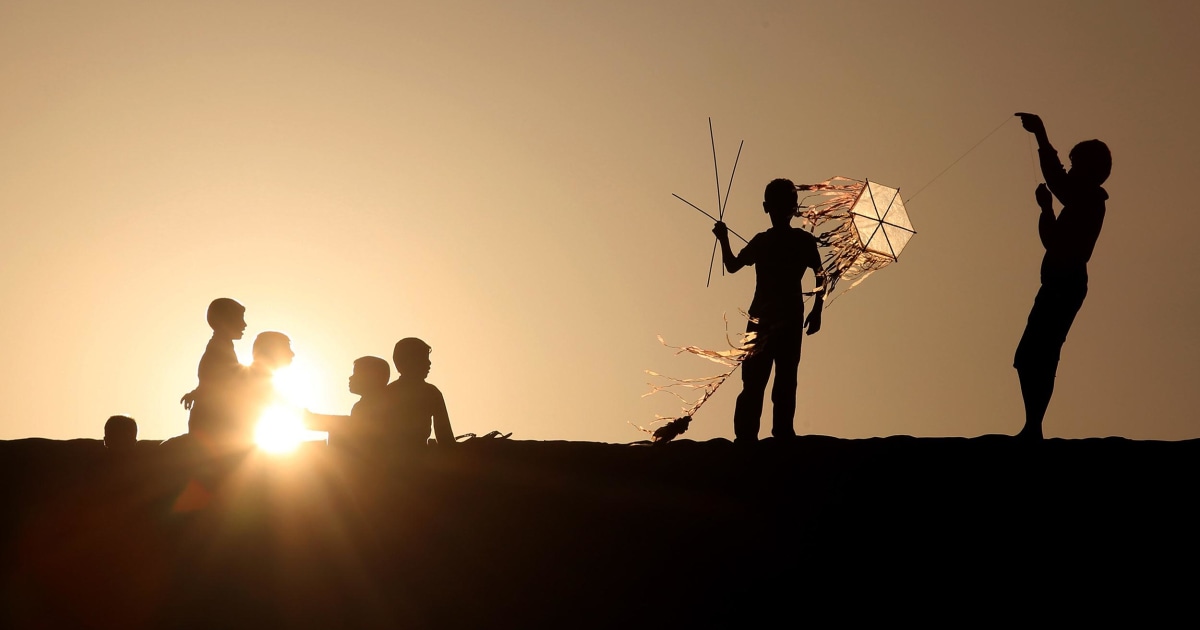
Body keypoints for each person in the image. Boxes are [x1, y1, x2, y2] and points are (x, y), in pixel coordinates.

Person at [1013, 113, 1111, 440]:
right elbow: (1054, 239)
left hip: (1064, 285)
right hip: (1059, 284)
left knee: (1038, 353)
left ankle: (1033, 427)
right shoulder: (1083, 201)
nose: (1068, 168)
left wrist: (1041, 136)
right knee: (1033, 354)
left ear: (1089, 169)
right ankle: (1033, 425)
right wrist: (1045, 210)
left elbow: (1057, 182)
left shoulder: (1089, 200)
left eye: (1074, 162)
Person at [713, 178, 825, 443]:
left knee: (769, 381)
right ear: (793, 208)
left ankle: (761, 437)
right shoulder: (797, 241)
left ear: (767, 207)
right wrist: (818, 309)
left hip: (769, 319)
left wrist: (723, 239)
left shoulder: (773, 241)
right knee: (769, 381)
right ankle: (768, 436)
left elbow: (731, 265)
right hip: (775, 319)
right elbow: (822, 276)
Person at [180, 298, 247, 442]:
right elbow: (216, 380)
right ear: (226, 321)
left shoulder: (220, 347)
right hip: (212, 424)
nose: (244, 324)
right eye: (240, 319)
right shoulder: (218, 349)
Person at [305, 356, 391, 452]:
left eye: (356, 373)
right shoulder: (369, 403)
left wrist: (312, 419)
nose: (350, 377)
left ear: (371, 378)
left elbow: (352, 426)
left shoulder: (377, 405)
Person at [381, 338, 455, 448]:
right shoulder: (431, 393)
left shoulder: (387, 392)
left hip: (391, 458)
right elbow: (445, 439)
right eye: (424, 359)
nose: (429, 363)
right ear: (410, 362)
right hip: (419, 459)